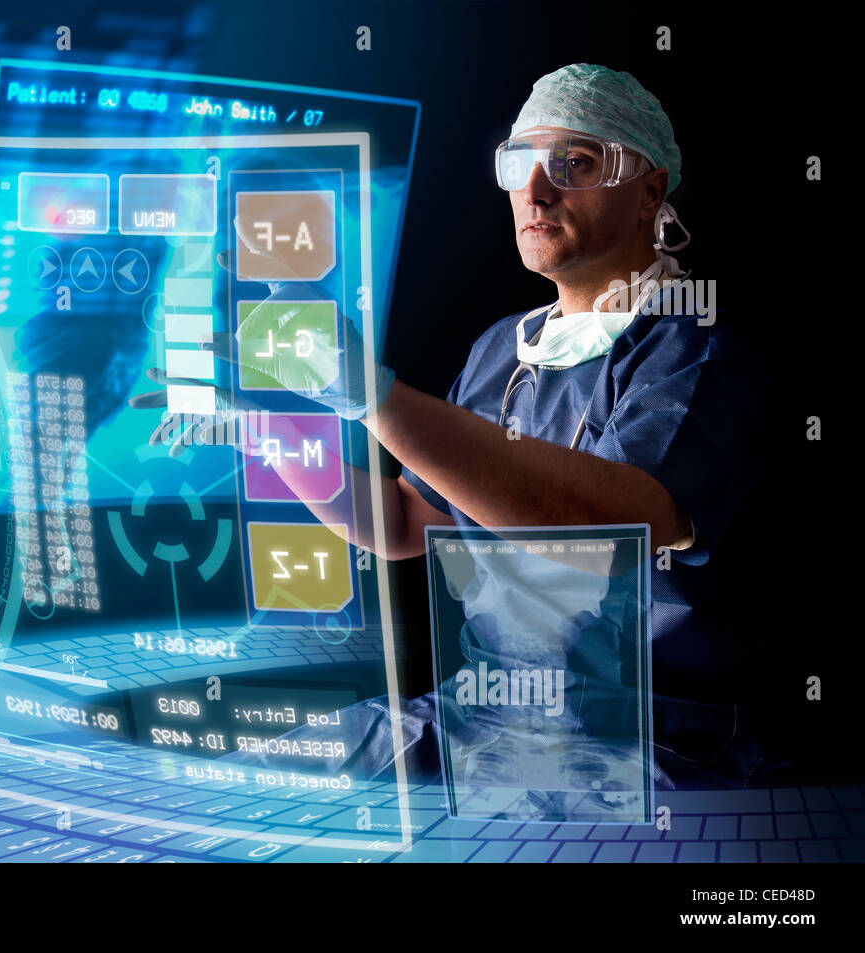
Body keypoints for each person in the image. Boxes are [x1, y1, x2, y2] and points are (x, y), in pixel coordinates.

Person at [137, 64, 770, 790]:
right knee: (252, 775)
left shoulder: (695, 352)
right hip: (486, 714)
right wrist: (269, 428)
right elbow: (404, 521)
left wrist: (372, 396)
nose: (535, 190)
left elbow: (600, 533)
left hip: (647, 738)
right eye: (519, 164)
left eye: (574, 162)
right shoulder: (504, 348)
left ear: (649, 192)